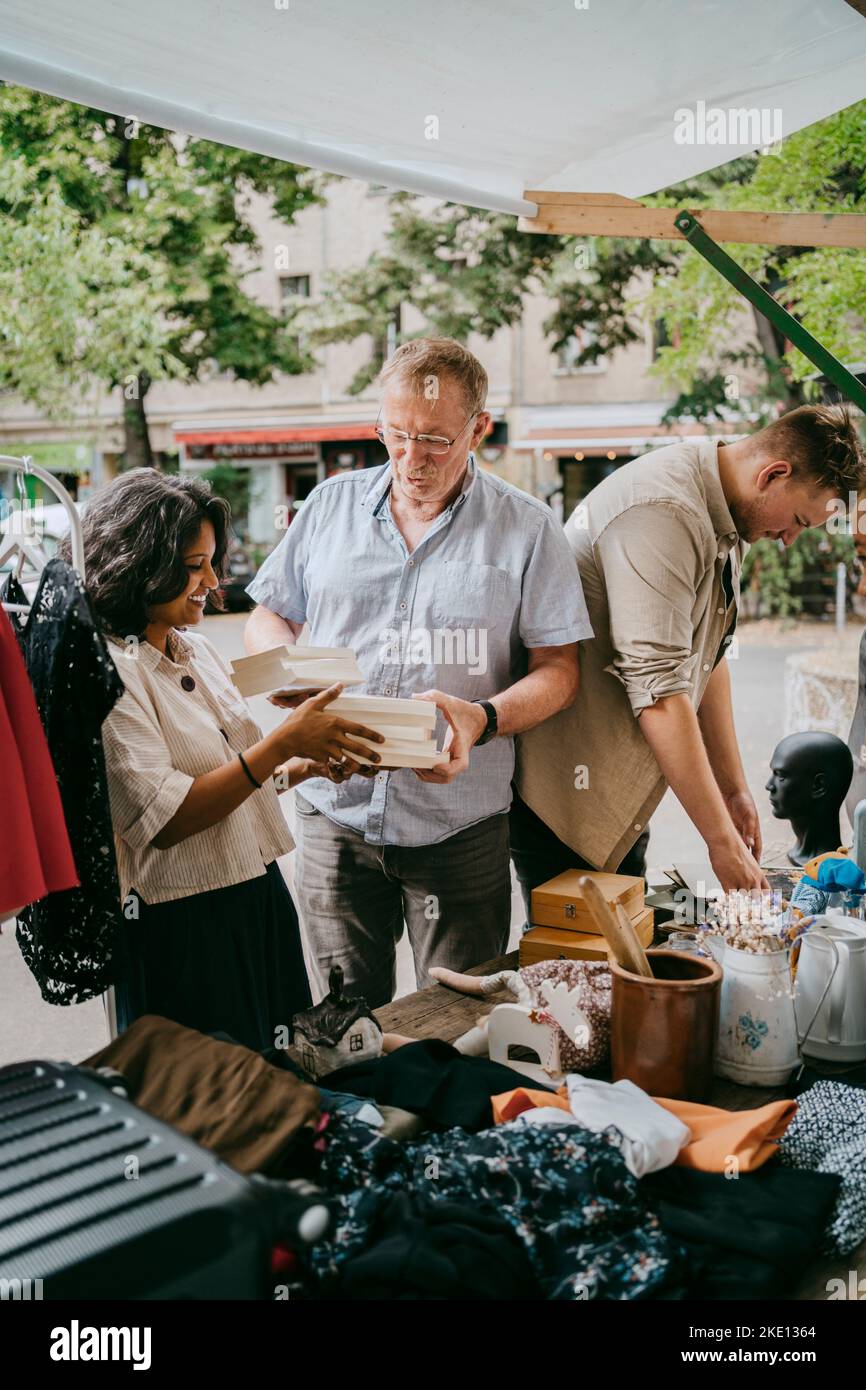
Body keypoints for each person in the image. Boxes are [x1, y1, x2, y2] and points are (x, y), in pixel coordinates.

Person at [245, 337, 592, 1006]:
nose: (410, 459)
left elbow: (560, 671)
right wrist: (287, 672)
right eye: (396, 435)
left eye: (434, 440)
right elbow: (270, 615)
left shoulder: (528, 528)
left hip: (460, 827)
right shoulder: (328, 506)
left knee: (456, 1020)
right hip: (334, 817)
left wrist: (482, 718)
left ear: (478, 429)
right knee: (345, 1024)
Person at [514, 404, 866, 903]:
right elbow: (658, 690)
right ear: (773, 474)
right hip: (566, 801)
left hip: (618, 795)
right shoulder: (664, 512)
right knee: (576, 951)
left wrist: (733, 791)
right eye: (798, 521)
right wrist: (720, 841)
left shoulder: (730, 508)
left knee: (624, 941)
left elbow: (707, 656)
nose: (789, 540)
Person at [83, 468, 384, 1051]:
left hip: (256, 894)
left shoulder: (194, 648)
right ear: (140, 565)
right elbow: (166, 818)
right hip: (184, 924)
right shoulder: (111, 673)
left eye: (212, 562)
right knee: (215, 1088)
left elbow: (237, 778)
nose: (213, 582)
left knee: (278, 1072)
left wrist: (310, 762)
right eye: (194, 566)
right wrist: (284, 742)